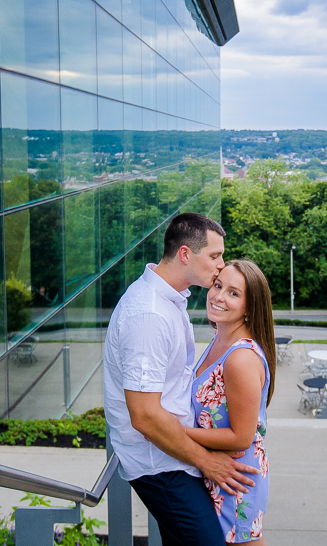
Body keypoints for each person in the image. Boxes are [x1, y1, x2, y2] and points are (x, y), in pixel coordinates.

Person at [103, 213, 259, 546]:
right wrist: (207, 462)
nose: (220, 266)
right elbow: (144, 415)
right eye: (214, 256)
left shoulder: (169, 302)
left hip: (176, 454)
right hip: (160, 464)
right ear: (186, 254)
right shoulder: (148, 315)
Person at [187, 259, 276, 544]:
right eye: (218, 285)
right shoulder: (218, 339)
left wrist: (173, 433)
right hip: (217, 471)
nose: (219, 296)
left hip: (236, 478)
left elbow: (241, 436)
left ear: (250, 309)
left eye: (233, 293)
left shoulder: (241, 359)